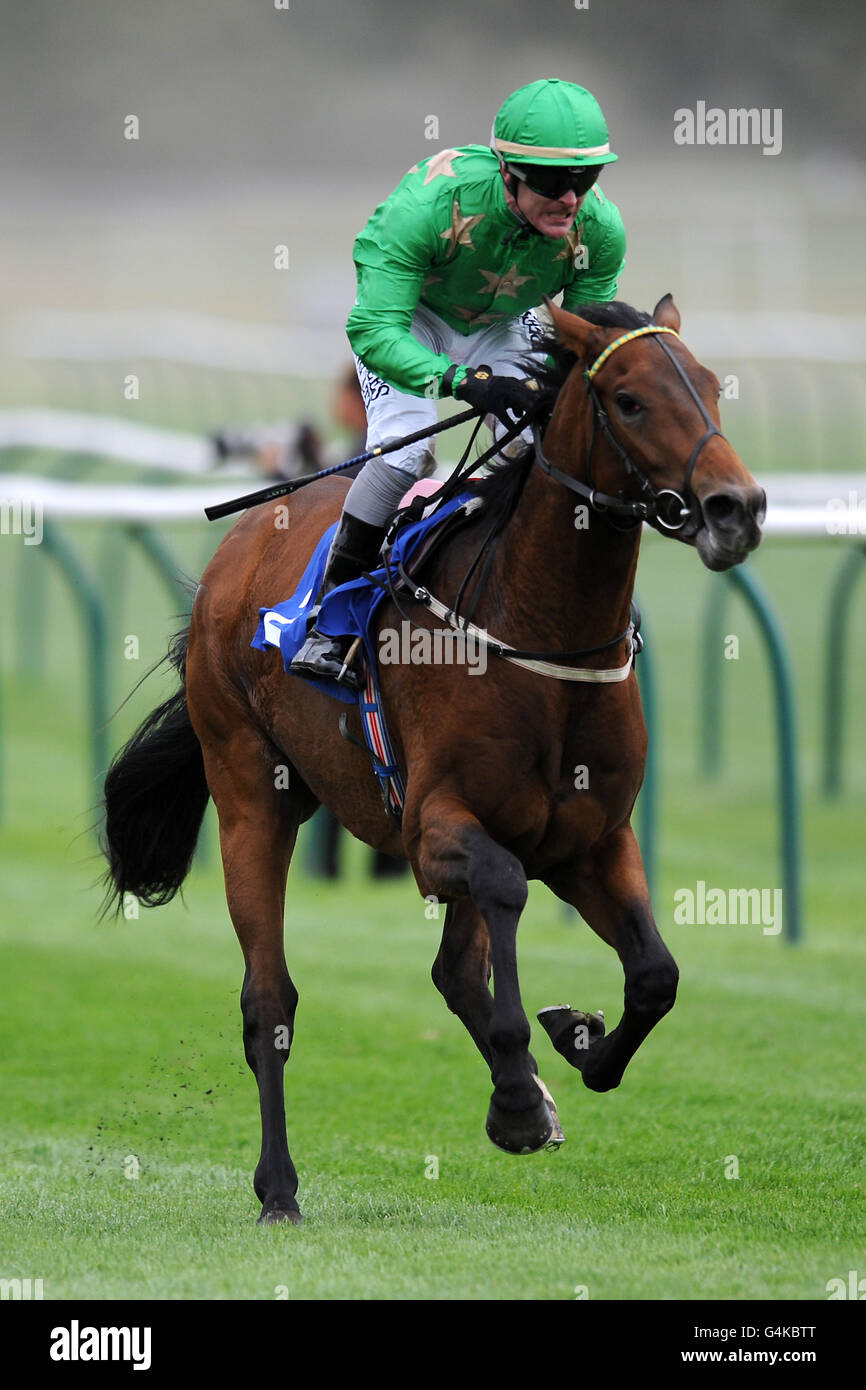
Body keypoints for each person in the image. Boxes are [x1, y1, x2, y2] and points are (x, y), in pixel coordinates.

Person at [291, 77, 627, 689]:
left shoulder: (599, 232)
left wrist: (547, 398)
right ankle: (331, 618)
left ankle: (576, 608)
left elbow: (583, 345)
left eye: (586, 180)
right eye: (552, 184)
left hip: (504, 323)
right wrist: (458, 380)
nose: (571, 200)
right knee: (408, 452)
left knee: (550, 450)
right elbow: (373, 329)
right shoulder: (422, 210)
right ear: (507, 173)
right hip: (410, 320)